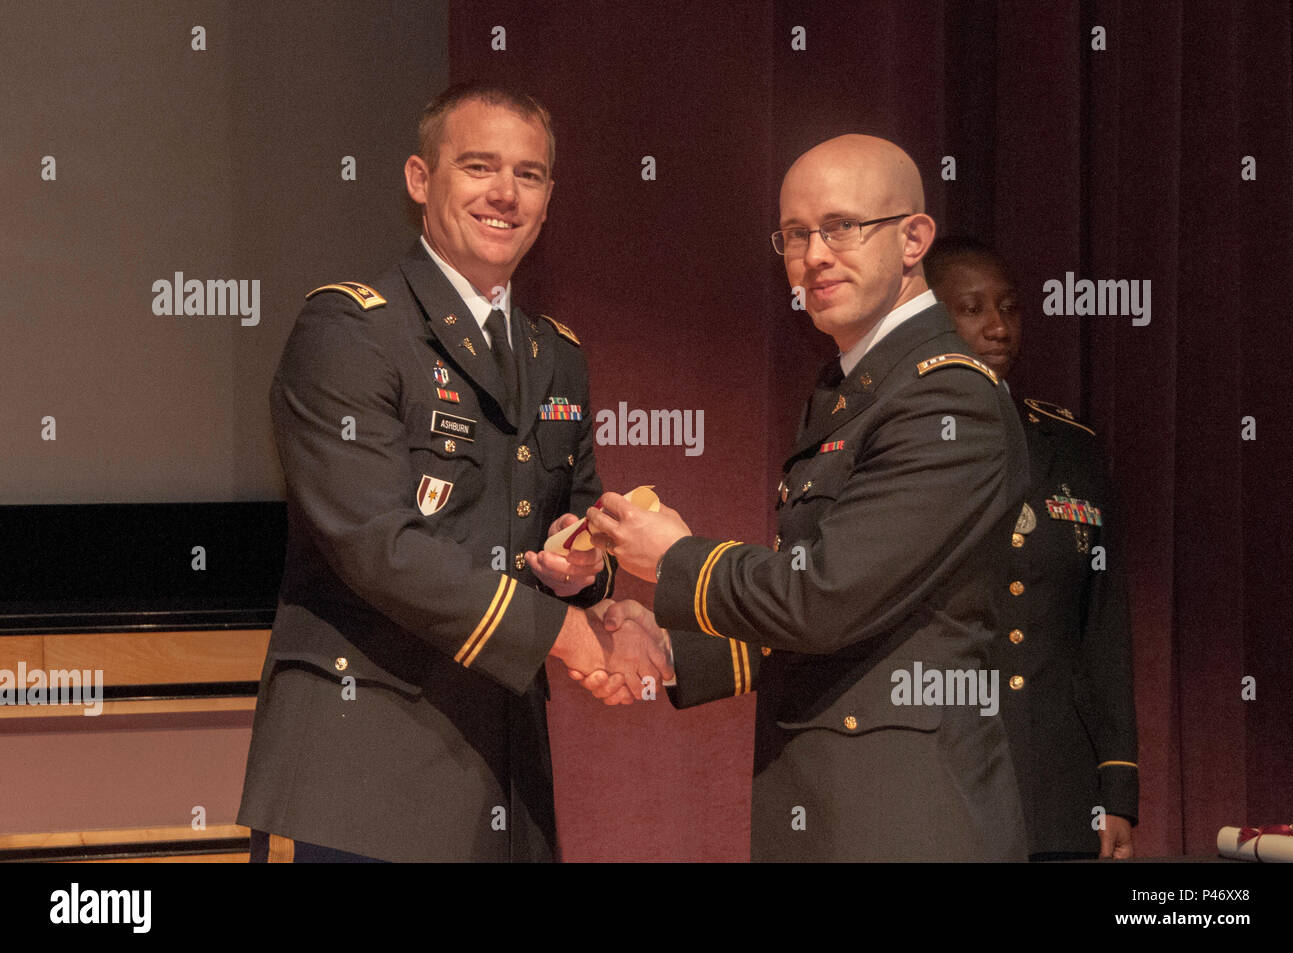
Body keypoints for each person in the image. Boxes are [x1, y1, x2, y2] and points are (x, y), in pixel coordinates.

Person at [237, 83, 671, 863]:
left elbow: (567, 522)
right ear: (419, 178)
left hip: (505, 767)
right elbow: (379, 546)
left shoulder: (556, 355)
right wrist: (566, 634)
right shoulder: (351, 331)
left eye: (529, 174)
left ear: (548, 197)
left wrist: (594, 587)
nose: (504, 193)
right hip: (368, 769)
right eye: (478, 166)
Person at [581, 135, 1030, 861]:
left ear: (914, 238)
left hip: (903, 815)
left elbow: (826, 597)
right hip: (834, 804)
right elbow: (848, 618)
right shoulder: (852, 387)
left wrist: (676, 558)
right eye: (795, 234)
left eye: (842, 226)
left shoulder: (947, 397)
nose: (814, 254)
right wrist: (669, 646)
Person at [926, 235, 1139, 860]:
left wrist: (1118, 785)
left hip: (1058, 780)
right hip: (942, 774)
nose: (998, 327)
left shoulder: (1072, 444)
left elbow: (1103, 627)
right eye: (972, 309)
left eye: (1011, 308)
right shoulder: (898, 447)